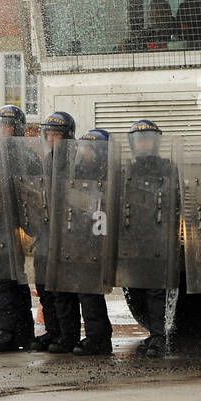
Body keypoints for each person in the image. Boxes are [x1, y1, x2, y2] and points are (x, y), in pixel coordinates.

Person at [0, 105, 37, 353]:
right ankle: (21, 330)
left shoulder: (25, 156)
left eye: (6, 126)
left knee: (7, 279)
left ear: (17, 128)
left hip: (16, 227)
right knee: (8, 279)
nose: (1, 131)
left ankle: (7, 331)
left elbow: (32, 192)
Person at [125, 119, 179, 359]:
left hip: (157, 236)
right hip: (133, 238)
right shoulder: (128, 169)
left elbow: (174, 202)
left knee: (156, 291)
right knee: (136, 289)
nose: (143, 144)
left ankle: (159, 336)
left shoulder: (167, 168)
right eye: (140, 140)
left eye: (148, 139)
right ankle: (152, 331)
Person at [30, 110, 83, 353]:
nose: (51, 138)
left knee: (62, 288)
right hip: (46, 229)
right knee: (45, 286)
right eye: (48, 134)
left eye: (56, 135)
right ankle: (53, 330)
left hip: (66, 231)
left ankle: (67, 334)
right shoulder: (49, 159)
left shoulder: (75, 160)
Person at [71, 128, 115, 356]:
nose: (86, 153)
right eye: (85, 148)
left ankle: (98, 337)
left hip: (102, 234)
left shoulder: (110, 171)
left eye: (91, 149)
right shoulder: (80, 171)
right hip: (83, 234)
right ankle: (96, 335)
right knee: (86, 288)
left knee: (90, 287)